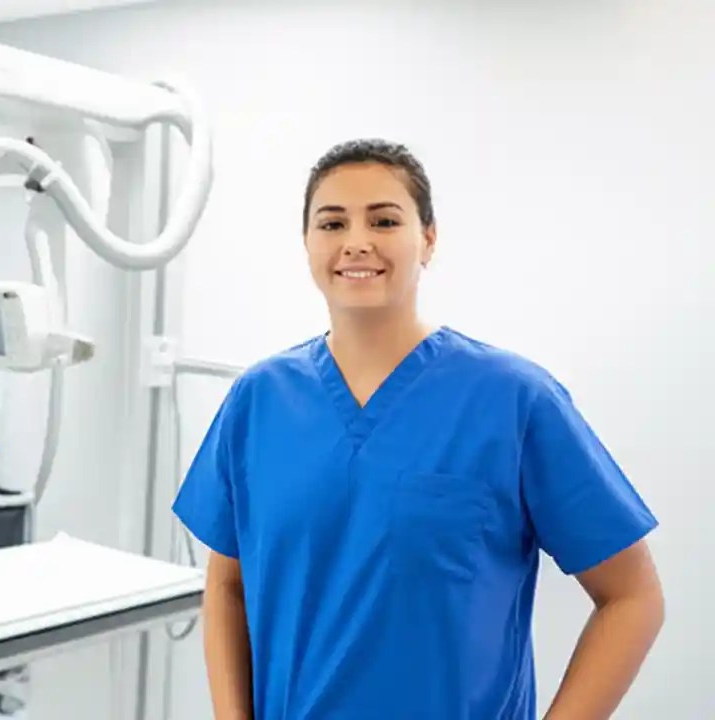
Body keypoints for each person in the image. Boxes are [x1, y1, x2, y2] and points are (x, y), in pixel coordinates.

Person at [171, 139, 664, 720]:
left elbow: (632, 596)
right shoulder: (258, 400)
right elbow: (227, 586)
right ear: (307, 243)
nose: (357, 241)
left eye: (383, 220)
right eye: (332, 223)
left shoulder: (513, 400)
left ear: (428, 239)